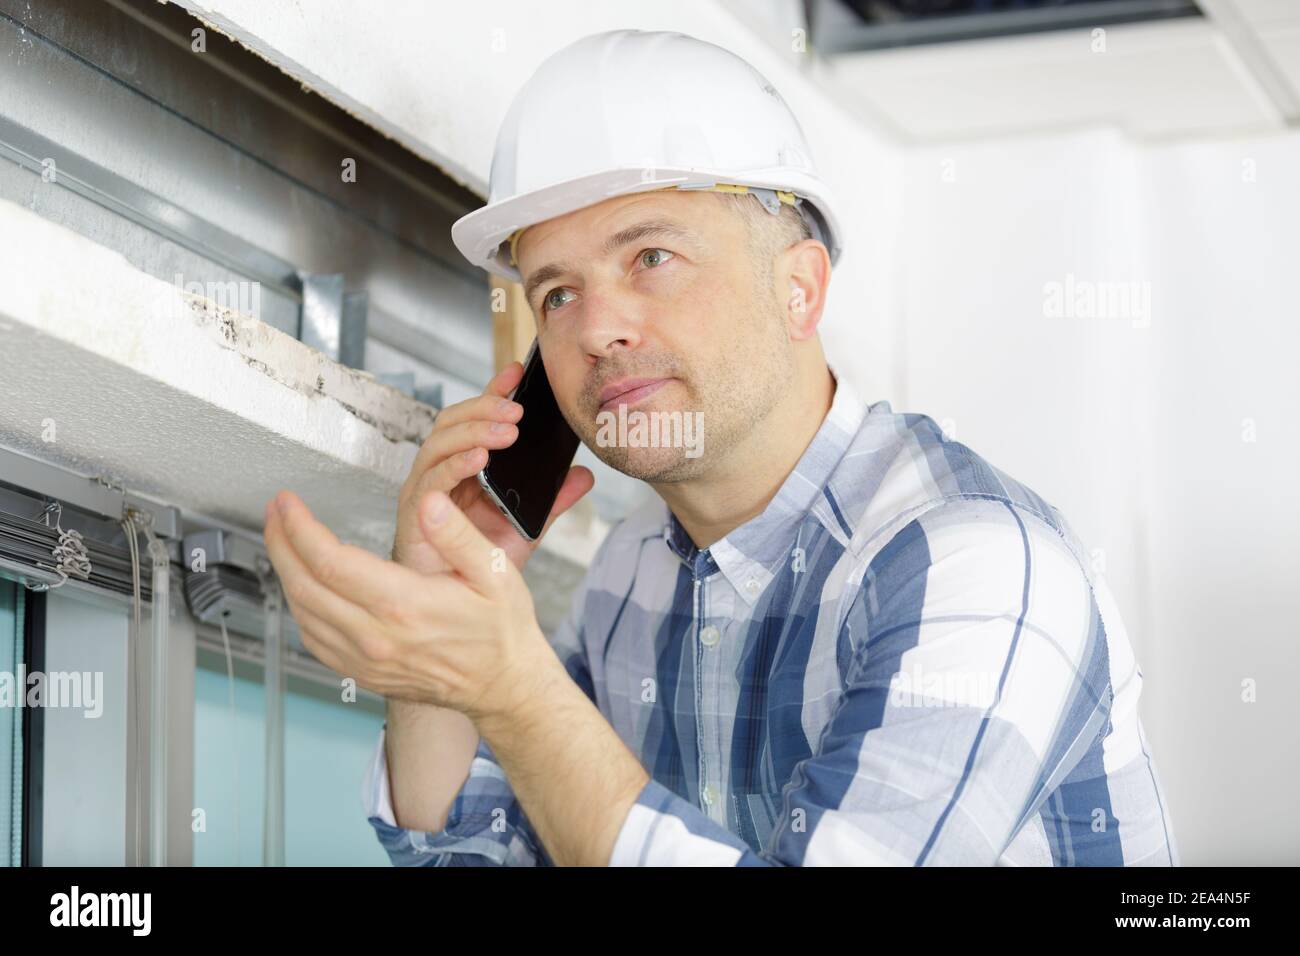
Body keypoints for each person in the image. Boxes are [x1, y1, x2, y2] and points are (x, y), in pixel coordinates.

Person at [263, 28, 1177, 866]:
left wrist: (514, 692)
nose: (597, 330)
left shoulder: (978, 571)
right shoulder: (628, 583)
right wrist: (441, 632)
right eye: (556, 293)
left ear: (799, 291)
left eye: (651, 258)